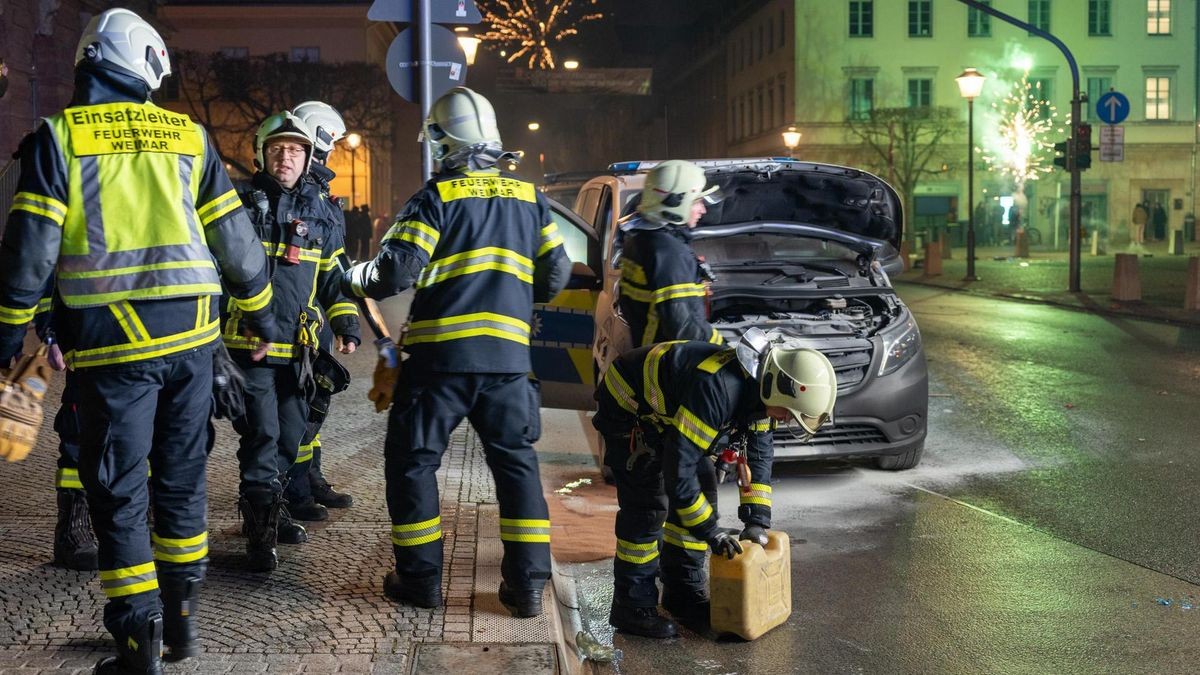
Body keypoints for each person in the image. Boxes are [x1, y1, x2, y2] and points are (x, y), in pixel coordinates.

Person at [0, 8, 275, 672]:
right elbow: (235, 243)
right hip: (193, 340)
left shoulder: (59, 137)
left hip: (114, 348)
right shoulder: (188, 135)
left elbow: (30, 249)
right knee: (180, 481)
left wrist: (11, 332)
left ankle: (137, 639)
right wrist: (262, 315)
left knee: (120, 490)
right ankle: (181, 624)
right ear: (148, 66)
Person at [342, 86, 571, 616]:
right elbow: (555, 274)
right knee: (516, 468)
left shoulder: (435, 199)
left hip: (439, 364)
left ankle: (420, 583)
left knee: (413, 464)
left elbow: (394, 273)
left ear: (444, 143)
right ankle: (528, 588)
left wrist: (350, 275)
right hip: (509, 365)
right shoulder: (530, 198)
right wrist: (511, 297)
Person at [593, 332, 836, 638]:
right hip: (628, 411)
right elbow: (678, 472)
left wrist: (756, 522)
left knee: (702, 487)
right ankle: (632, 607)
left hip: (667, 416)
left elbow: (758, 459)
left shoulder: (760, 395)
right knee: (647, 508)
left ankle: (682, 592)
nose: (786, 420)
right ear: (779, 388)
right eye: (788, 413)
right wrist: (712, 532)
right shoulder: (718, 388)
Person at [222, 111, 360, 571]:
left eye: (296, 150)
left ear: (308, 157)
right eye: (278, 149)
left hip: (300, 353)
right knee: (262, 435)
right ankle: (259, 537)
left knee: (292, 437)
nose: (287, 157)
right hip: (252, 349)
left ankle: (270, 511)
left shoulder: (320, 212)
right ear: (261, 154)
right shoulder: (236, 204)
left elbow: (333, 278)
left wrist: (346, 327)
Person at [286, 100, 359, 513]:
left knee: (316, 400)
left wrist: (345, 320)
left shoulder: (320, 197)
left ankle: (308, 476)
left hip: (315, 320)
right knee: (297, 407)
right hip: (296, 320)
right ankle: (293, 490)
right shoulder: (303, 198)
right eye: (330, 147)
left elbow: (334, 265)